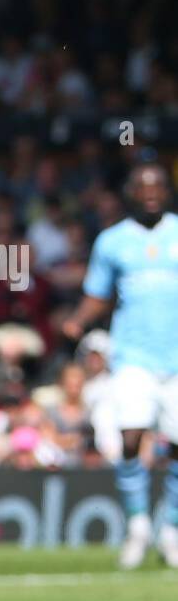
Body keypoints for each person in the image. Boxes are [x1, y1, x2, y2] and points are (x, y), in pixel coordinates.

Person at [63, 162, 178, 568]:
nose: (151, 193)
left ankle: (172, 529)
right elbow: (99, 292)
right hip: (133, 357)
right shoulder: (113, 241)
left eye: (158, 186)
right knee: (131, 438)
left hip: (177, 360)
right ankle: (138, 525)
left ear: (167, 190)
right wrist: (78, 319)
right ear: (131, 192)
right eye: (143, 187)